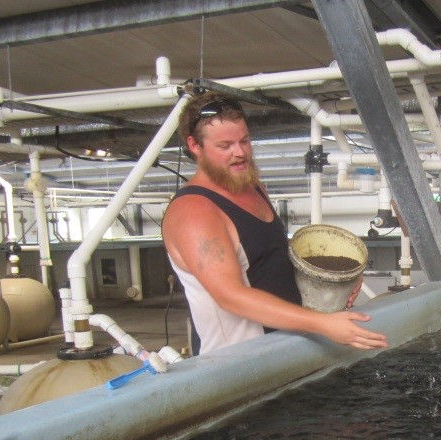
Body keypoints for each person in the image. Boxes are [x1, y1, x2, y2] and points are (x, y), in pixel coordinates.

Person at [162, 92, 388, 354]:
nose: (240, 153)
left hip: (285, 348)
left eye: (244, 141)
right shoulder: (194, 211)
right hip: (238, 365)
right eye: (225, 146)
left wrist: (338, 283)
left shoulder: (253, 187)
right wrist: (323, 324)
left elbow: (273, 257)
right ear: (194, 146)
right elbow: (230, 296)